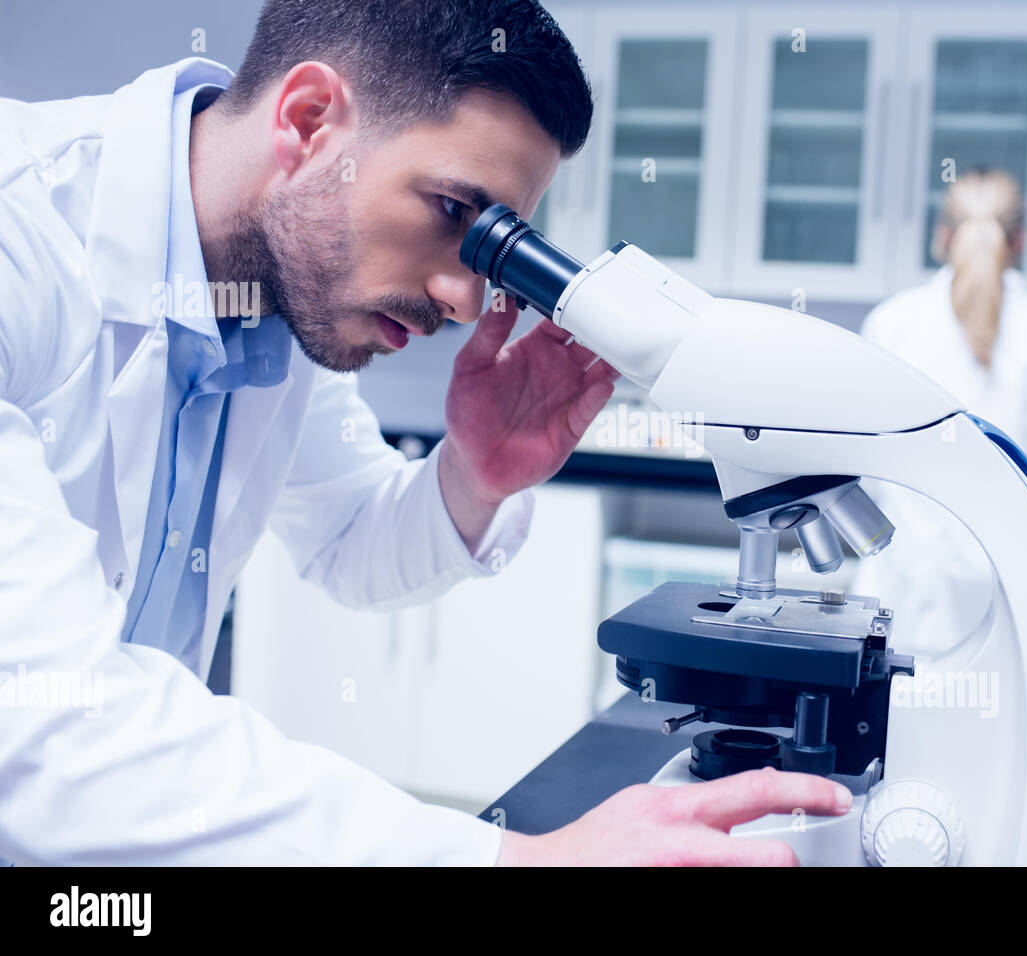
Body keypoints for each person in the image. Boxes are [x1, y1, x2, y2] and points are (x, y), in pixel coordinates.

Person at [0, 0, 849, 866]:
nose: (466, 300)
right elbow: (46, 722)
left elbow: (347, 539)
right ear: (308, 120)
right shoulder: (20, 238)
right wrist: (517, 861)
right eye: (452, 208)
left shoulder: (272, 298)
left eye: (489, 249)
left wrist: (472, 478)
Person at [852, 168, 1027, 658]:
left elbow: (866, 468)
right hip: (1013, 603)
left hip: (899, 597)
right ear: (1021, 241)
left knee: (892, 729)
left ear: (941, 236)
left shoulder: (892, 325)